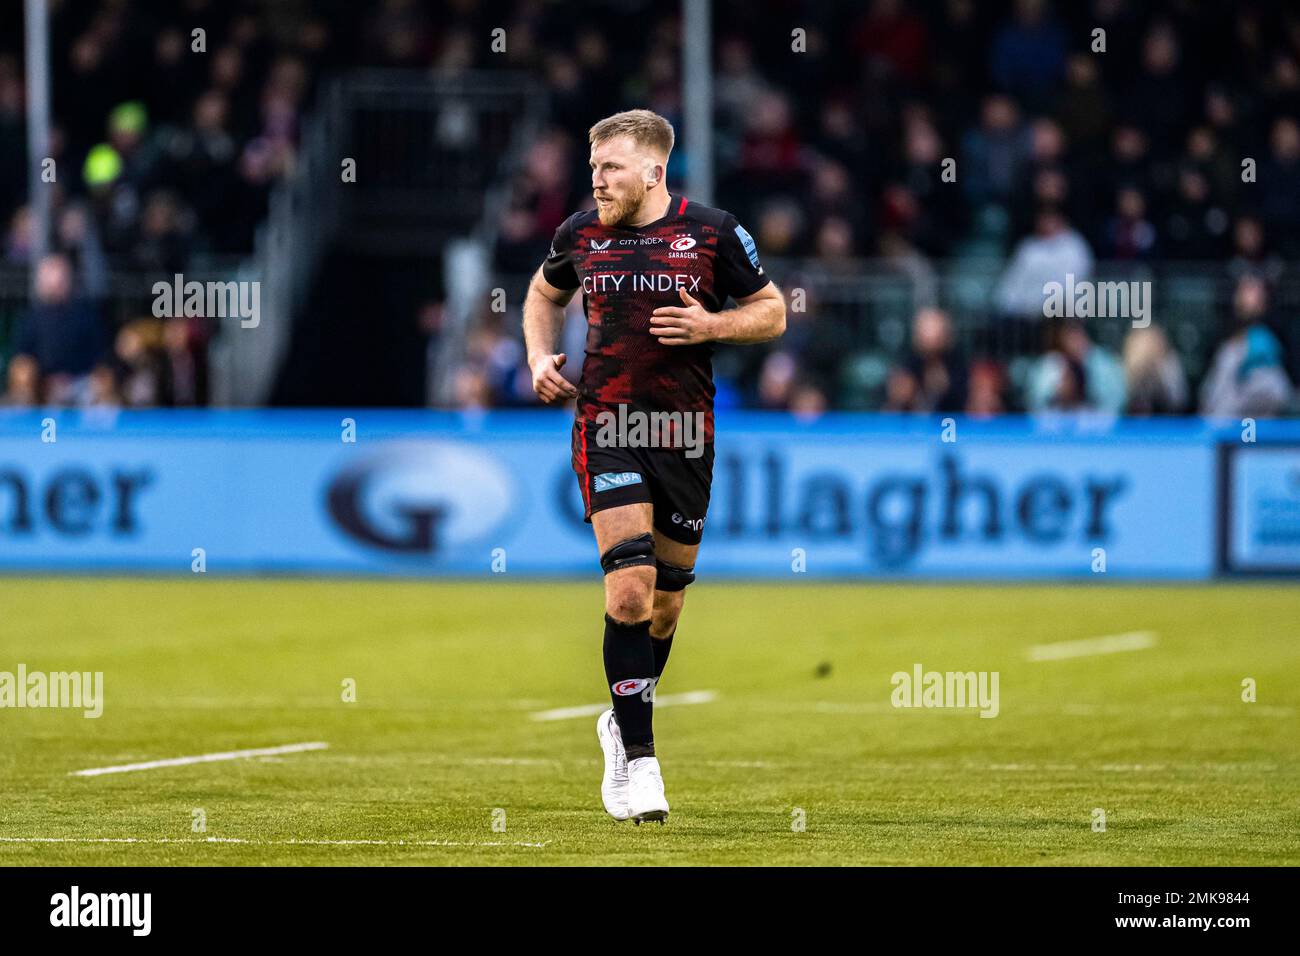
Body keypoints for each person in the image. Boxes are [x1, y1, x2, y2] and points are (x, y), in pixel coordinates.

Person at [522, 110, 785, 824]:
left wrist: (712, 326)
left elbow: (771, 311)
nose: (597, 181)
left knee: (667, 603)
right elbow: (545, 293)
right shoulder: (579, 234)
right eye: (594, 167)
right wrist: (539, 355)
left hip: (684, 434)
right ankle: (640, 762)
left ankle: (620, 716)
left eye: (610, 167)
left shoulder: (714, 232)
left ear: (653, 172)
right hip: (607, 425)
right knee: (631, 591)